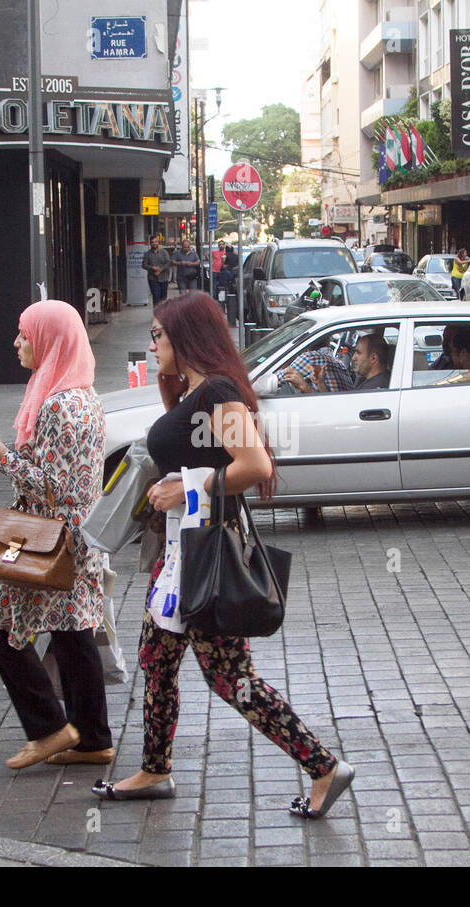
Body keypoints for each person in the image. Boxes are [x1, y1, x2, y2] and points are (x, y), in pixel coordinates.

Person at [92, 292, 354, 819]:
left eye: (159, 335)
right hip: (179, 551)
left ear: (186, 337)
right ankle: (155, 769)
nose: (152, 344)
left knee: (231, 679)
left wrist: (186, 489)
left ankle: (324, 766)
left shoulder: (218, 391)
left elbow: (254, 466)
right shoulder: (194, 390)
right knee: (156, 660)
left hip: (206, 552)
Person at [0, 300, 114, 771]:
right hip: (79, 538)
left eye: (25, 335)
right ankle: (92, 739)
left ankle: (48, 729)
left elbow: (54, 487)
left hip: (51, 543)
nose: (17, 343)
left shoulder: (59, 405)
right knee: (73, 634)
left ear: (49, 340)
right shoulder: (82, 393)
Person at [282, 345, 356, 393]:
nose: (353, 358)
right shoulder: (338, 362)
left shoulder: (309, 358)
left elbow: (277, 378)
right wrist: (320, 384)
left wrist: (304, 386)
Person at [142, 239, 171, 306]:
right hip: (153, 278)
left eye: (155, 242)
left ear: (158, 243)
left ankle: (163, 314)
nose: (154, 243)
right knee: (156, 297)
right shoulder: (147, 254)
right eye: (152, 242)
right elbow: (144, 265)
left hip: (164, 278)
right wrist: (152, 267)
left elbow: (168, 262)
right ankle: (156, 314)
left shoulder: (164, 252)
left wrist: (160, 270)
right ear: (150, 244)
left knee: (163, 298)